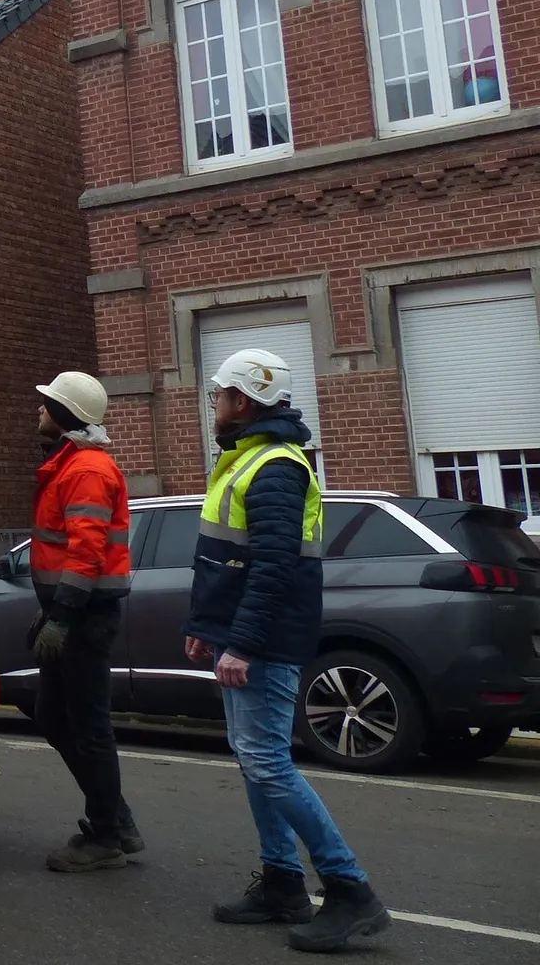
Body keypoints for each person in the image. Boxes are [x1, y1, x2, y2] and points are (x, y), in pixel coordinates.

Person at [188, 349, 390, 952]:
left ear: (242, 402)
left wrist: (242, 642)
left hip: (265, 641)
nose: (215, 405)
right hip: (245, 635)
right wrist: (208, 625)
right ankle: (281, 882)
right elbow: (230, 558)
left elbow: (273, 567)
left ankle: (351, 890)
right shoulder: (250, 460)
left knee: (267, 761)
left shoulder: (275, 466)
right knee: (255, 759)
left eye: (219, 395)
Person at [27, 370, 142, 872]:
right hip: (74, 613)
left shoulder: (86, 470)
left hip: (85, 617)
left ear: (64, 415)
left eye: (46, 405)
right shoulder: (71, 464)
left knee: (89, 725)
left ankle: (108, 836)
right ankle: (113, 818)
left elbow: (87, 551)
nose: (39, 411)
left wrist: (63, 616)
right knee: (54, 716)